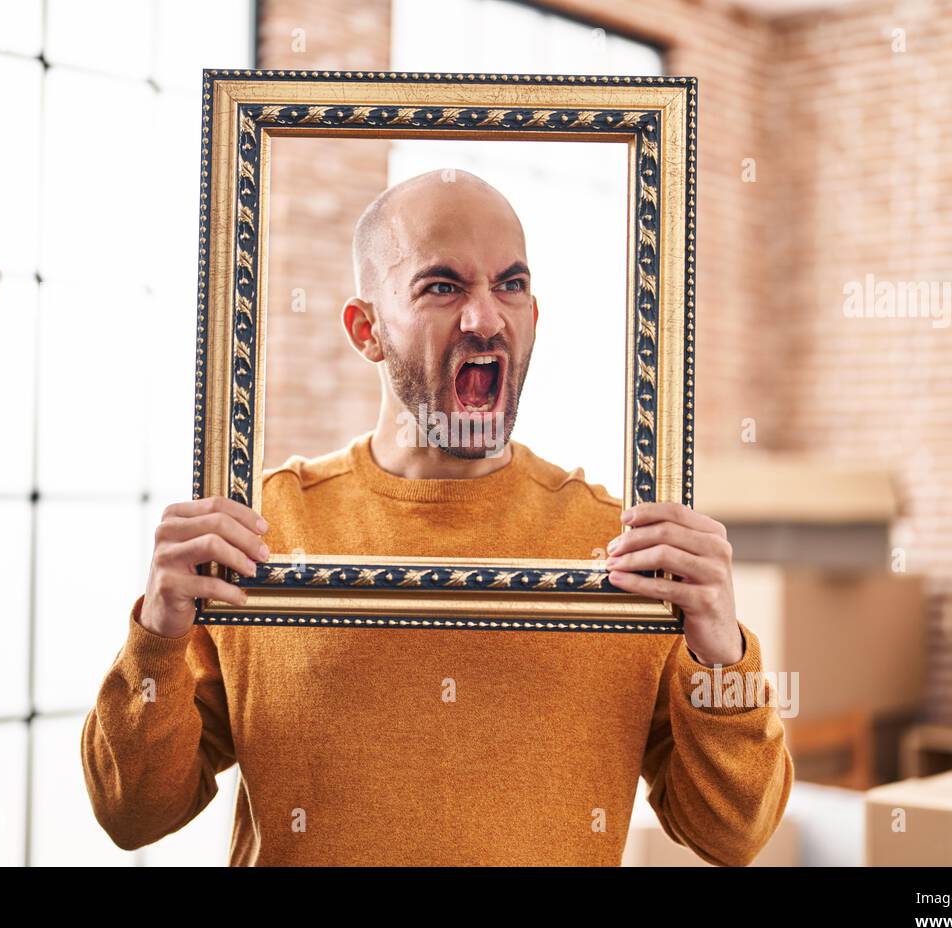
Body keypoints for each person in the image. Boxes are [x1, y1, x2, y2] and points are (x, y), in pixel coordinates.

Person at [81, 170, 793, 866]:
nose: (485, 318)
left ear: (532, 317)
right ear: (367, 329)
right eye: (442, 286)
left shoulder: (619, 550)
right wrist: (158, 634)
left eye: (510, 285)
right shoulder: (262, 530)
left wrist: (722, 655)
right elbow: (133, 812)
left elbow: (733, 834)